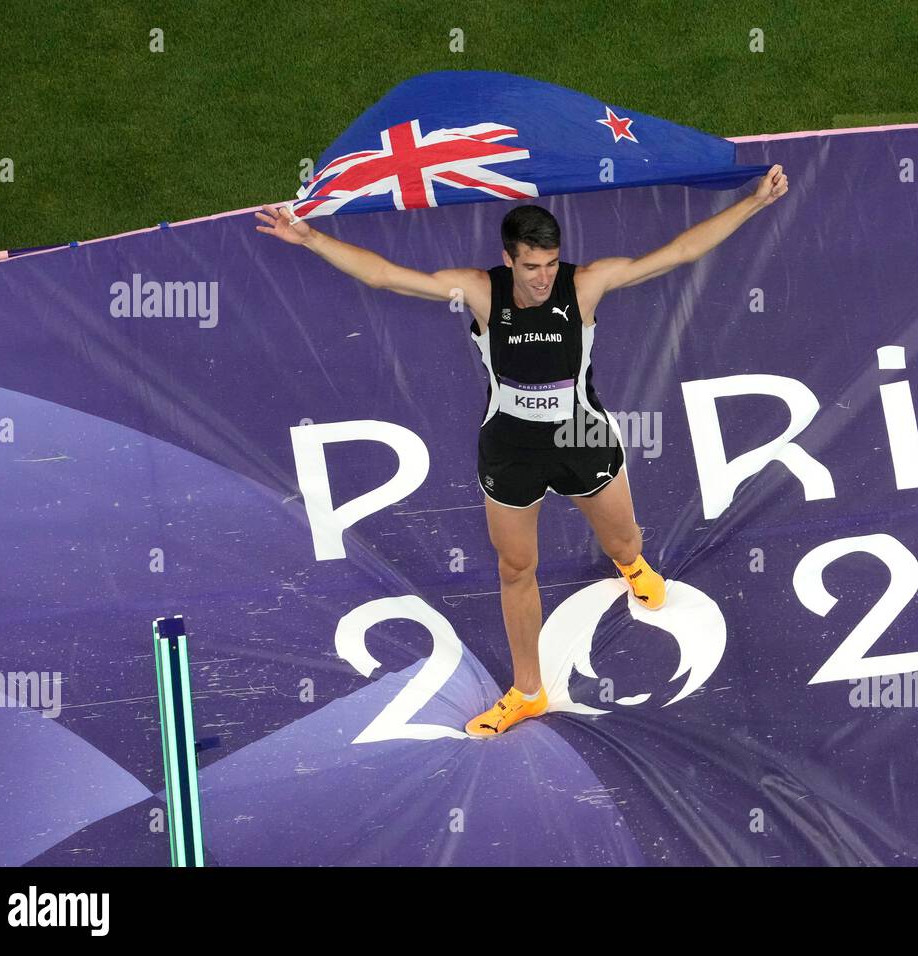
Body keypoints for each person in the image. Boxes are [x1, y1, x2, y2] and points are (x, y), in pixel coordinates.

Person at [255, 164, 789, 736]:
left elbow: (680, 252)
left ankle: (630, 566)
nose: (541, 278)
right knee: (516, 568)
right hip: (510, 447)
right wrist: (308, 236)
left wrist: (755, 203)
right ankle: (528, 690)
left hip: (580, 439)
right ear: (508, 260)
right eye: (530, 267)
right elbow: (387, 277)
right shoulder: (482, 292)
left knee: (625, 540)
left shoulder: (584, 285)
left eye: (550, 264)